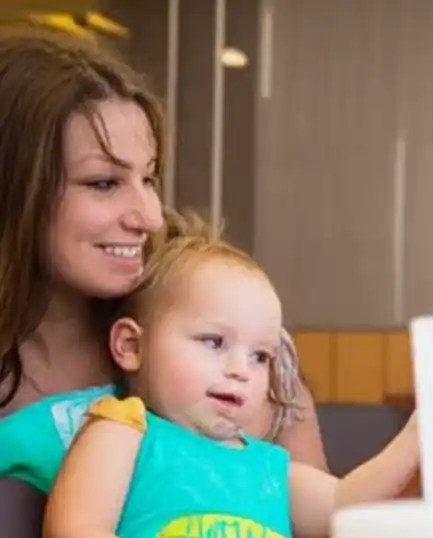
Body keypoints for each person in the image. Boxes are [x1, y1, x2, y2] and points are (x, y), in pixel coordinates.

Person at [31, 230, 426, 538]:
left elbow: (346, 507)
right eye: (214, 341)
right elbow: (74, 535)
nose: (241, 368)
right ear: (131, 346)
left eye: (260, 356)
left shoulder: (266, 463)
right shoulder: (124, 428)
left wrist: (412, 442)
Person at [0, 24, 326, 468]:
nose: (149, 216)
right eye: (104, 183)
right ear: (13, 190)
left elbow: (318, 524)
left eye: (149, 178)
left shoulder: (214, 321)